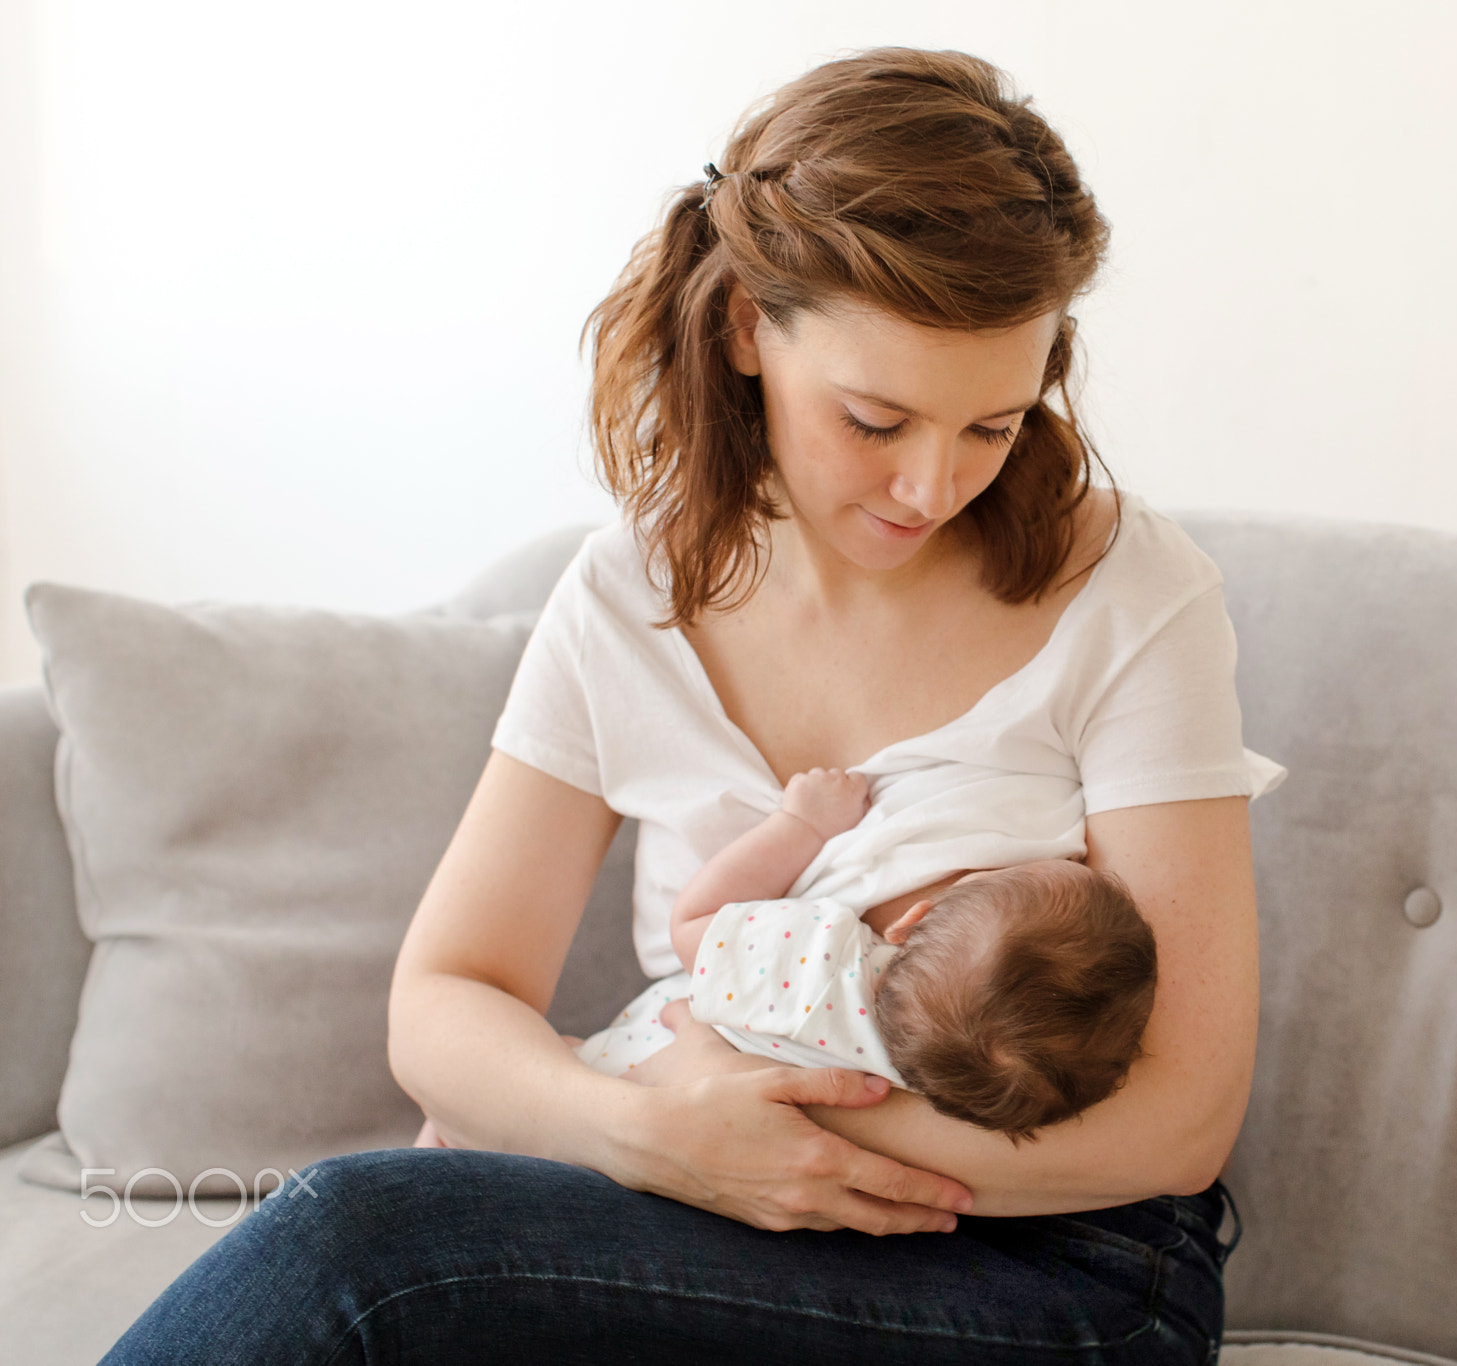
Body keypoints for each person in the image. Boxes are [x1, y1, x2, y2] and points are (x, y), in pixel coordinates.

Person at [102, 46, 1278, 1365]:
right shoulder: (629, 598)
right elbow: (446, 999)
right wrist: (651, 1134)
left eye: (992, 427)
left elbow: (1183, 1114)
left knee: (357, 1246)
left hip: (1063, 1264)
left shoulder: (1128, 588)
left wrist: (740, 1133)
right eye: (877, 420)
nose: (931, 486)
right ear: (742, 332)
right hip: (697, 1203)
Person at [547, 763, 1161, 1141]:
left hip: (625, 1071)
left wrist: (802, 827)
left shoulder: (817, 964)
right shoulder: (928, 1085)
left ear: (909, 922)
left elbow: (692, 926)